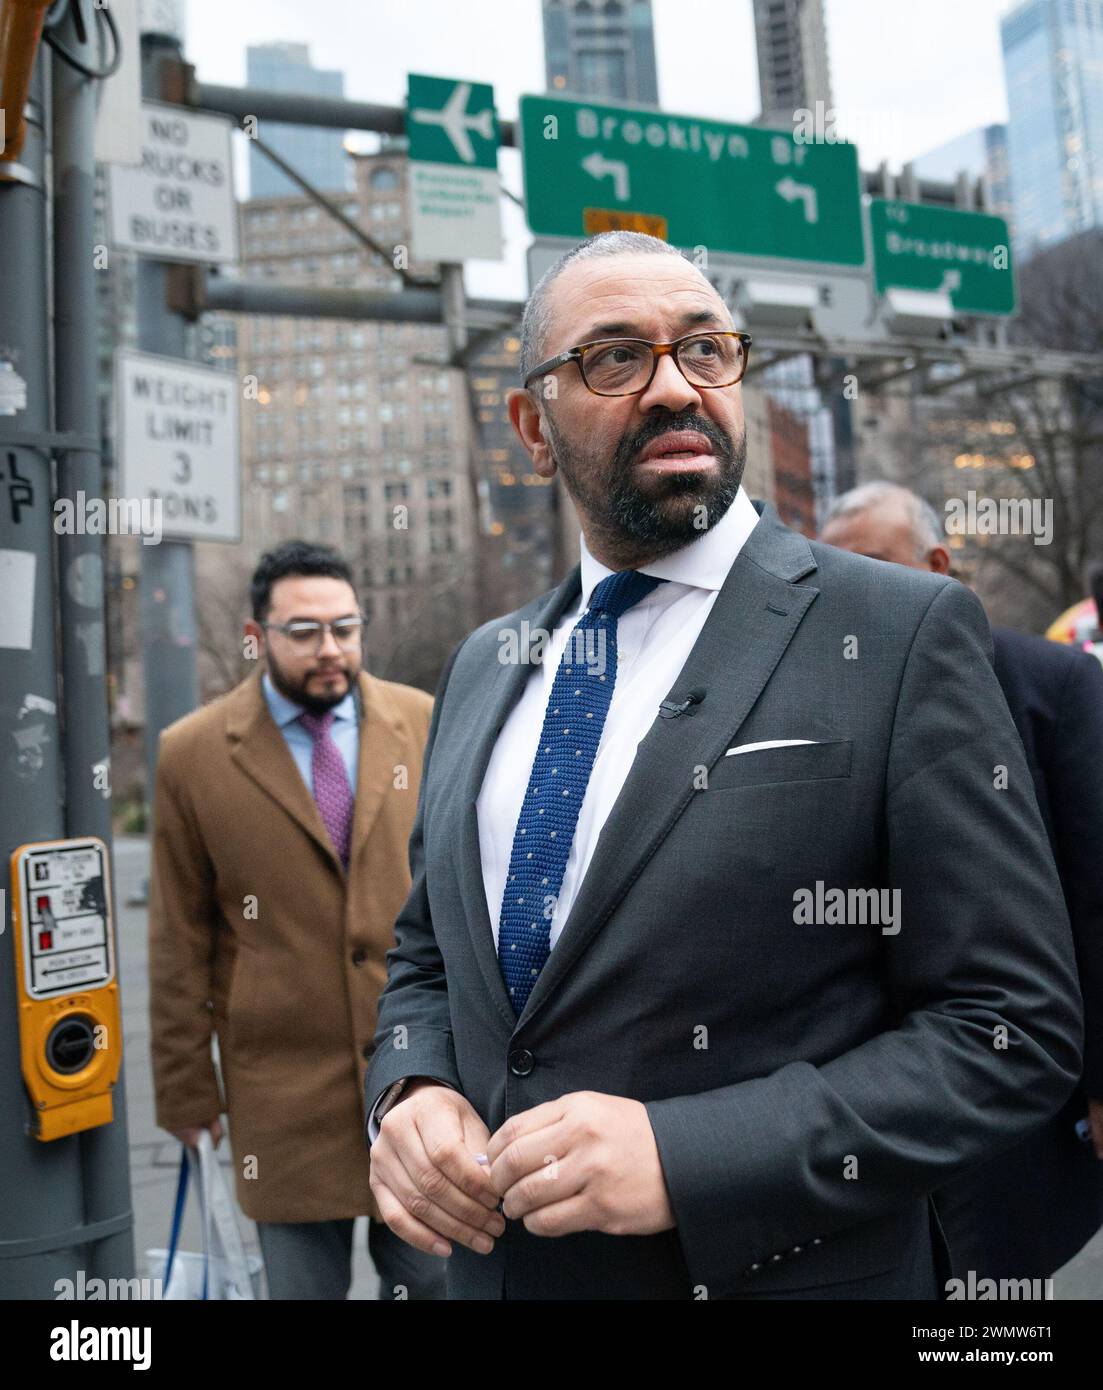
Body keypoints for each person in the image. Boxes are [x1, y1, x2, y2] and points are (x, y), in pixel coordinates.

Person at [364, 231, 1082, 1301]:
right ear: (530, 425)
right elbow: (427, 949)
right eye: (613, 357)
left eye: (703, 349)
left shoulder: (899, 629)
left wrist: (687, 1156)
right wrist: (410, 1086)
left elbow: (1007, 1026)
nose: (672, 386)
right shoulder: (484, 664)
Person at [821, 480, 1103, 1280]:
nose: (848, 593)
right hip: (867, 1101)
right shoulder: (825, 698)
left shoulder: (1051, 684)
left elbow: (1096, 888)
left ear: (937, 565)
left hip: (1015, 1081)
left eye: (871, 565)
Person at [149, 540, 446, 1300]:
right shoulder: (192, 753)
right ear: (257, 637)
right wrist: (186, 1095)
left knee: (438, 1285)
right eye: (304, 631)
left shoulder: (423, 720)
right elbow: (178, 938)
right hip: (280, 1097)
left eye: (344, 628)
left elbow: (461, 896)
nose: (330, 650)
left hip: (420, 1084)